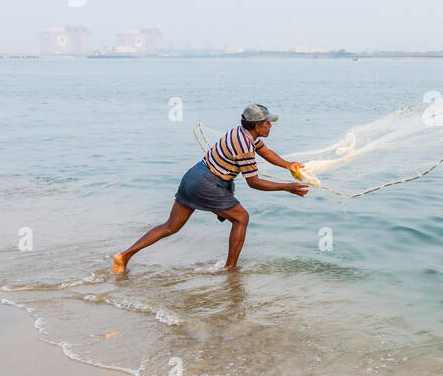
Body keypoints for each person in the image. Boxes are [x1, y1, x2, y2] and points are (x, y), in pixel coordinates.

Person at [111, 104, 307, 273]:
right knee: (241, 218)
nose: (270, 126)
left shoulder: (241, 132)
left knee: (171, 226)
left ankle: (123, 256)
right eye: (267, 123)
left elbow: (265, 151)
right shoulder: (244, 145)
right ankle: (230, 269)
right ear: (257, 126)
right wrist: (287, 187)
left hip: (193, 176)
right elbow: (254, 182)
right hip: (207, 184)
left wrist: (288, 165)